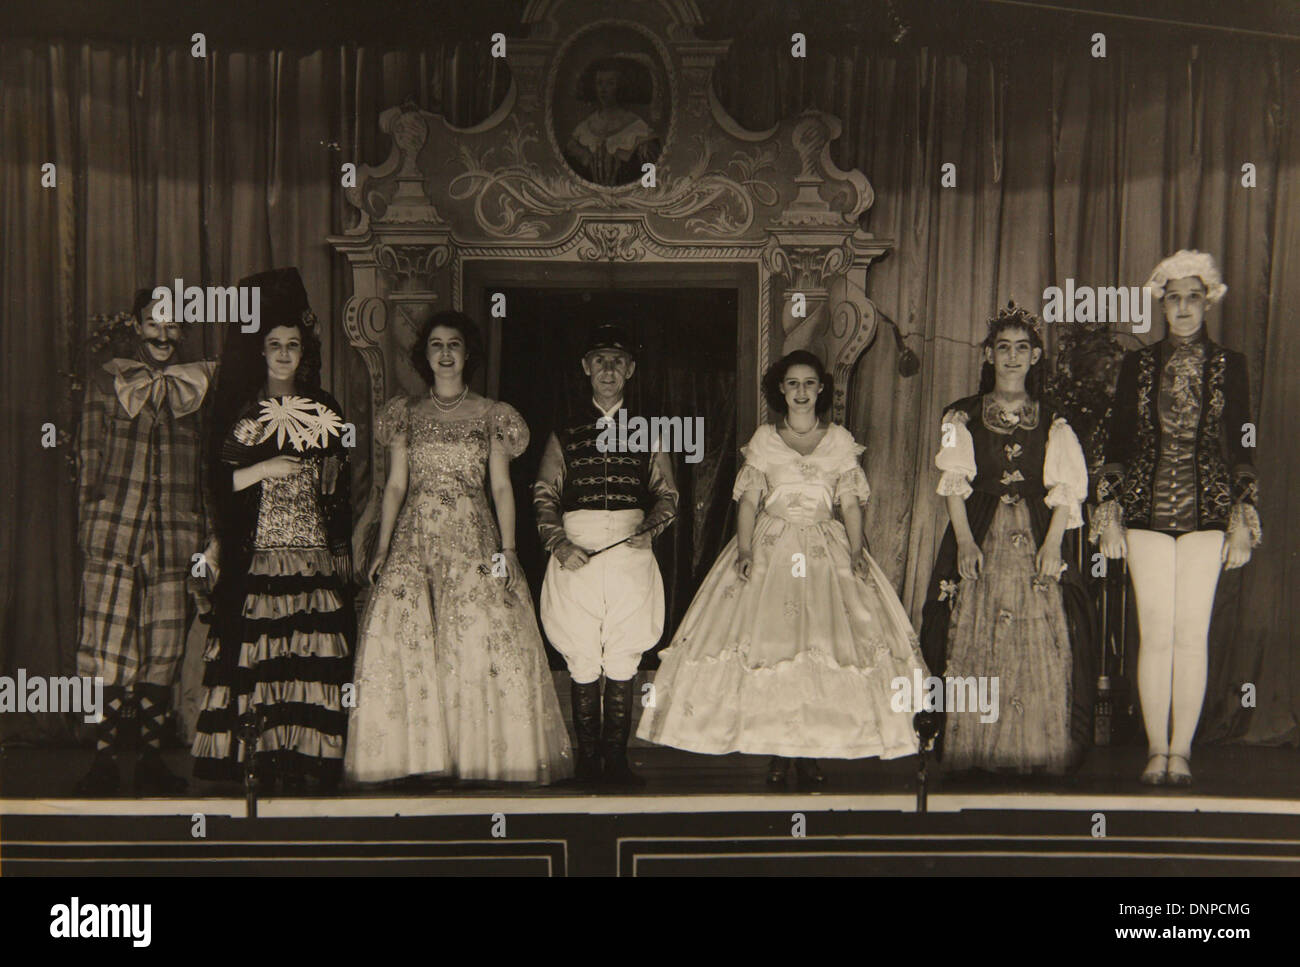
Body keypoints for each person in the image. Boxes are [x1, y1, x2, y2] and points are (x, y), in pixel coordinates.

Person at [636, 350, 928, 787]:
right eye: (793, 383)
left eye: (809, 383)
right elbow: (749, 501)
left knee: (821, 644)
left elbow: (850, 503)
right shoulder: (765, 440)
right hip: (772, 547)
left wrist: (855, 551)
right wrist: (745, 549)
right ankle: (776, 750)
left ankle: (810, 753)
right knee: (773, 646)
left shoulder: (840, 440)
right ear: (781, 390)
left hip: (825, 548)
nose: (801, 392)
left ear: (821, 389)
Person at [345, 311, 572, 785]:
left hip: (473, 537)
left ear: (468, 354)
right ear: (425, 355)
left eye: (454, 344)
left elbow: (502, 487)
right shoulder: (406, 414)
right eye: (436, 344)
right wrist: (382, 546)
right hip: (416, 539)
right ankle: (416, 757)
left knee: (474, 638)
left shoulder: (492, 415)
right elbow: (394, 486)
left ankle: (478, 757)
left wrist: (508, 550)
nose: (445, 353)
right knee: (413, 637)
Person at [1093, 251, 1259, 786]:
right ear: (1161, 305)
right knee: (1156, 635)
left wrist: (1242, 516)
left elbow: (1243, 441)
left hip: (1209, 511)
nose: (1184, 307)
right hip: (1144, 509)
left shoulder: (1231, 365)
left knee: (1191, 635)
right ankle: (1156, 749)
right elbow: (1118, 441)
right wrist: (1110, 513)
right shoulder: (1137, 365)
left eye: (1193, 297)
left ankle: (1181, 751)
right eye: (1173, 298)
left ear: (1208, 301)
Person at [190, 268, 354, 792]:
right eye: (275, 345)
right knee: (259, 654)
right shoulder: (243, 411)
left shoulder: (325, 409)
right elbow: (222, 482)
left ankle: (301, 759)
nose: (285, 354)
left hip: (312, 553)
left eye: (293, 345)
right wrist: (265, 468)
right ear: (260, 351)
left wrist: (337, 529)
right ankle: (254, 759)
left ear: (305, 351)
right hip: (258, 552)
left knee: (307, 655)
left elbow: (341, 486)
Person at [919, 304, 1094, 776]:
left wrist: (1053, 545)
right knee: (971, 632)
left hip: (1037, 533)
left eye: (1021, 348)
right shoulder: (960, 416)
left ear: (1035, 356)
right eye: (1003, 347)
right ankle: (977, 748)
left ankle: (1035, 749)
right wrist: (964, 542)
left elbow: (1065, 491)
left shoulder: (1054, 419)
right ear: (989, 354)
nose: (1012, 357)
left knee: (1043, 636)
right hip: (980, 528)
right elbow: (953, 484)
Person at [73, 288, 218, 796]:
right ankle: (105, 760)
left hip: (176, 534)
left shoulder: (198, 387)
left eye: (172, 325)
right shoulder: (106, 381)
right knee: (106, 647)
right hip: (115, 530)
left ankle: (153, 759)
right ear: (137, 325)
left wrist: (206, 535)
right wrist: (92, 524)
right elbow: (89, 457)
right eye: (154, 323)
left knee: (164, 646)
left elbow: (206, 469)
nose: (163, 334)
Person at [534, 323, 677, 786]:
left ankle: (615, 761)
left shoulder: (649, 431)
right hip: (577, 546)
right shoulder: (565, 431)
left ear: (630, 369)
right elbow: (544, 494)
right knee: (580, 652)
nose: (608, 370)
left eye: (617, 361)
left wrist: (651, 528)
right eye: (600, 360)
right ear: (586, 367)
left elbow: (667, 495)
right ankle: (586, 763)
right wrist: (560, 544)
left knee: (624, 650)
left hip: (632, 549)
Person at [564, 59, 661, 186]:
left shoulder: (637, 129)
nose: (603, 89)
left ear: (620, 86)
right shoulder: (584, 129)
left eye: (610, 83)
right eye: (599, 83)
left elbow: (650, 179)